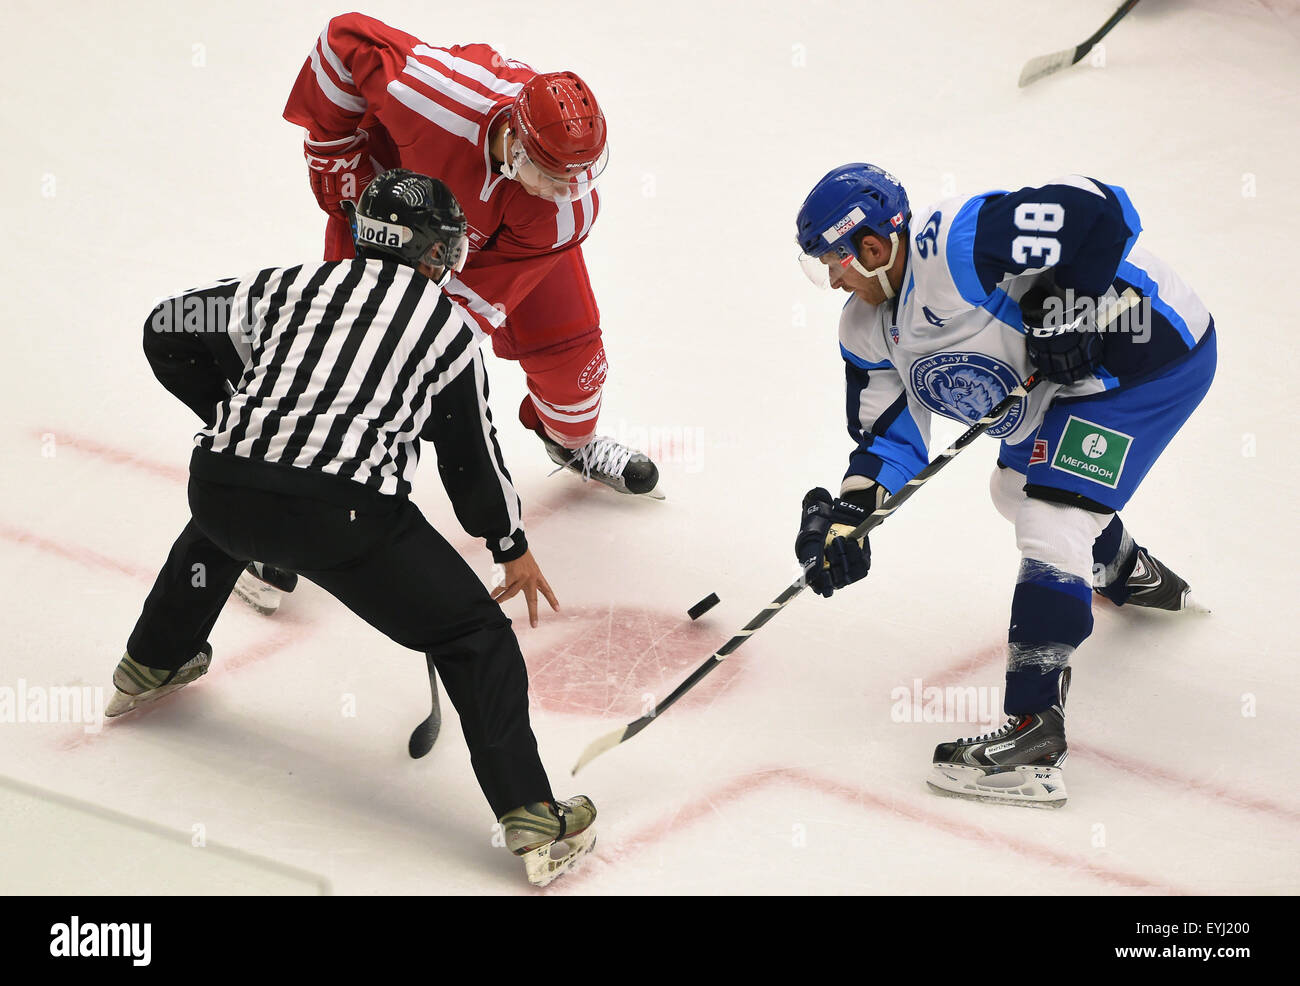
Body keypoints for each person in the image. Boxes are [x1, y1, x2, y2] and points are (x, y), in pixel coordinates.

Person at [107, 169, 595, 885]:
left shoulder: (288, 285)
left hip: (221, 486)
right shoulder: (446, 331)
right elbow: (471, 463)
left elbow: (165, 327)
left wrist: (235, 420)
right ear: (432, 252)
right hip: (343, 515)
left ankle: (150, 663)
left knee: (220, 528)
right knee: (473, 639)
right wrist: (508, 546)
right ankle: (529, 813)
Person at [792, 163, 1216, 807]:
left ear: (873, 247)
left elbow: (1100, 209)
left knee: (1051, 519)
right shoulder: (866, 329)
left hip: (1149, 360)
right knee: (1013, 491)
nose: (832, 278)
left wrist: (1064, 305)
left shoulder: (957, 244)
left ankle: (1033, 737)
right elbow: (890, 437)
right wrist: (852, 514)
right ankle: (1124, 568)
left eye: (835, 260)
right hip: (1062, 394)